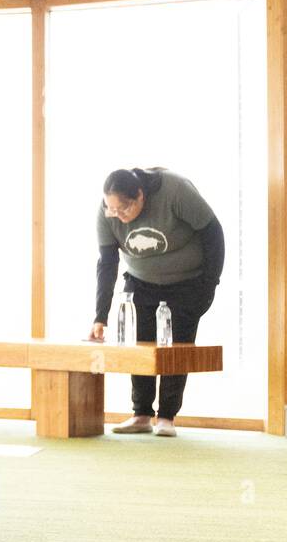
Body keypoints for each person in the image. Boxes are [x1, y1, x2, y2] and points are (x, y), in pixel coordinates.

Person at [89, 167, 224, 437]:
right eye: (112, 209)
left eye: (124, 209)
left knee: (176, 348)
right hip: (140, 282)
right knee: (139, 343)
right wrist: (100, 316)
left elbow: (213, 234)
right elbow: (107, 263)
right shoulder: (108, 212)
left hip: (187, 283)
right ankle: (141, 413)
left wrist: (209, 286)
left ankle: (166, 417)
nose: (119, 216)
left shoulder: (175, 191)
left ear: (140, 195)